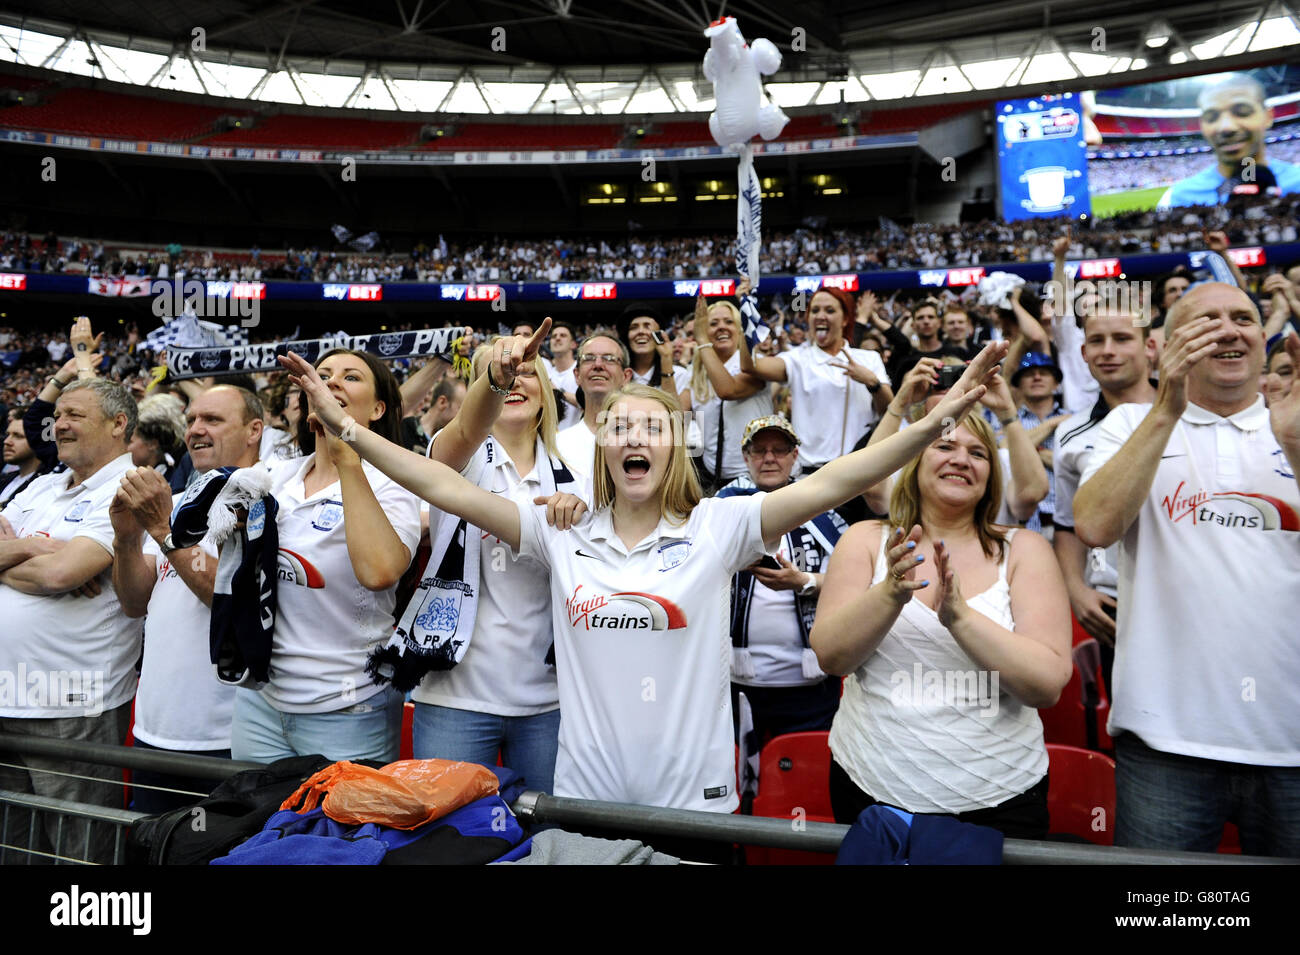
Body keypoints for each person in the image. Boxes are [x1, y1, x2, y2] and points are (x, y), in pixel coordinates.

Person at [279, 339, 1009, 821]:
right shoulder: (556, 531)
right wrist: (346, 426)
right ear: (601, 443)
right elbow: (439, 484)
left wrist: (935, 417)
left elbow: (841, 479)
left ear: (676, 449)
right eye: (622, 427)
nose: (636, 438)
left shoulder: (721, 528)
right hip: (586, 800)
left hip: (694, 801)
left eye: (654, 428)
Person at [1073, 284, 1300, 856]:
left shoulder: (1295, 426)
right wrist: (1167, 408)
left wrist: (1295, 447)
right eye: (1208, 321)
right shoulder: (1129, 426)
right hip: (1166, 741)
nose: (1229, 329)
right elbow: (1095, 525)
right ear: (1167, 347)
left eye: (1243, 318)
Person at [812, 411, 1072, 840]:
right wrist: (890, 594)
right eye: (945, 446)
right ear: (915, 460)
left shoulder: (1025, 549)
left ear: (991, 474)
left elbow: (1045, 685)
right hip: (870, 790)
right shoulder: (864, 539)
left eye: (978, 453)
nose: (961, 459)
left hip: (1001, 797)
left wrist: (961, 620)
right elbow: (831, 657)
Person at [401, 323, 579, 795]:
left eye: (527, 373)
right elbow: (465, 428)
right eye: (499, 375)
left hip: (552, 701)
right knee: (450, 843)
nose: (515, 380)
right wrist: (496, 380)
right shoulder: (453, 452)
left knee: (548, 846)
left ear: (548, 392)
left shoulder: (579, 474)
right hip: (455, 699)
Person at [228, 349, 420, 765]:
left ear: (378, 408)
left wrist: (346, 451)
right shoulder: (274, 476)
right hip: (260, 703)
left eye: (351, 378)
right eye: (324, 374)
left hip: (349, 709)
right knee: (251, 829)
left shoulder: (394, 481)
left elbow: (380, 571)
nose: (331, 382)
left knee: (336, 832)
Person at [0, 378, 139, 863]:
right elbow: (54, 566)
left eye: (75, 415)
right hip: (6, 699)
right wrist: (34, 548)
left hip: (71, 705)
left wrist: (12, 561)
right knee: (13, 848)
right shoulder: (40, 484)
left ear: (119, 423)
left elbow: (62, 573)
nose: (58, 424)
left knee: (79, 855)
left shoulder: (128, 488)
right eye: (58, 415)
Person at [110, 385, 263, 813]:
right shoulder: (174, 501)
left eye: (212, 420)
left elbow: (234, 599)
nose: (195, 430)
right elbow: (134, 602)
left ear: (255, 430)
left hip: (226, 738)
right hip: (154, 731)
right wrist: (125, 538)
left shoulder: (267, 501)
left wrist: (162, 530)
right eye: (192, 419)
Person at [1052, 307, 1158, 695]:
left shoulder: (1193, 413)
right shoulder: (1069, 435)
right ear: (1082, 353)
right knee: (1132, 719)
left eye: (1122, 338)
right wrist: (1076, 590)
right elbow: (1066, 525)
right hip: (1114, 605)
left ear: (1150, 347)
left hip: (1190, 595)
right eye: (1096, 341)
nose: (1107, 351)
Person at [719, 414, 843, 746]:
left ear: (795, 456)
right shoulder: (718, 509)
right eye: (759, 450)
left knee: (804, 781)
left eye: (779, 449)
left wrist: (804, 581)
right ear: (745, 458)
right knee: (738, 785)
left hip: (812, 689)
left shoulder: (824, 511)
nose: (769, 458)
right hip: (732, 685)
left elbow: (856, 583)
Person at [736, 287, 893, 473]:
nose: (821, 316)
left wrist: (871, 382)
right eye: (815, 310)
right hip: (810, 475)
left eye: (830, 310)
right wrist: (746, 313)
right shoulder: (798, 359)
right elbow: (750, 366)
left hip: (857, 474)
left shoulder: (868, 359)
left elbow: (888, 409)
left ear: (845, 319)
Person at [1157, 73, 1300, 209]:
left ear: (1268, 117)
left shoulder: (1297, 182)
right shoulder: (1177, 198)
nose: (1226, 127)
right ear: (1202, 125)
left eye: (1242, 112)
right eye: (1211, 117)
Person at [691, 294, 773, 490]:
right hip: (712, 478)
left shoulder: (755, 364)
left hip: (756, 477)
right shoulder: (695, 374)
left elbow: (727, 389)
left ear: (739, 329)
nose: (722, 327)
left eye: (729, 321)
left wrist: (702, 340)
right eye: (713, 323)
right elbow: (677, 412)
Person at [554, 330, 631, 485]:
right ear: (577, 375)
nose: (598, 365)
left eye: (609, 359)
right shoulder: (556, 445)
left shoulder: (643, 441)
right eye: (588, 358)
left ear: (626, 376)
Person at [1006, 352, 1070, 537]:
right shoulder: (1008, 421)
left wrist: (1029, 451)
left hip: (1067, 524)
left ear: (1056, 383)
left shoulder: (1074, 420)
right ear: (1018, 385)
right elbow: (1003, 452)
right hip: (1023, 524)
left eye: (1044, 372)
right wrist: (1051, 424)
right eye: (1028, 373)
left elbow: (1077, 464)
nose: (1037, 377)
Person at [617, 304, 692, 409]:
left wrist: (666, 358)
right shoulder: (616, 375)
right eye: (634, 327)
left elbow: (677, 419)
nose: (641, 332)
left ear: (659, 335)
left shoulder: (679, 375)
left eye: (647, 326)